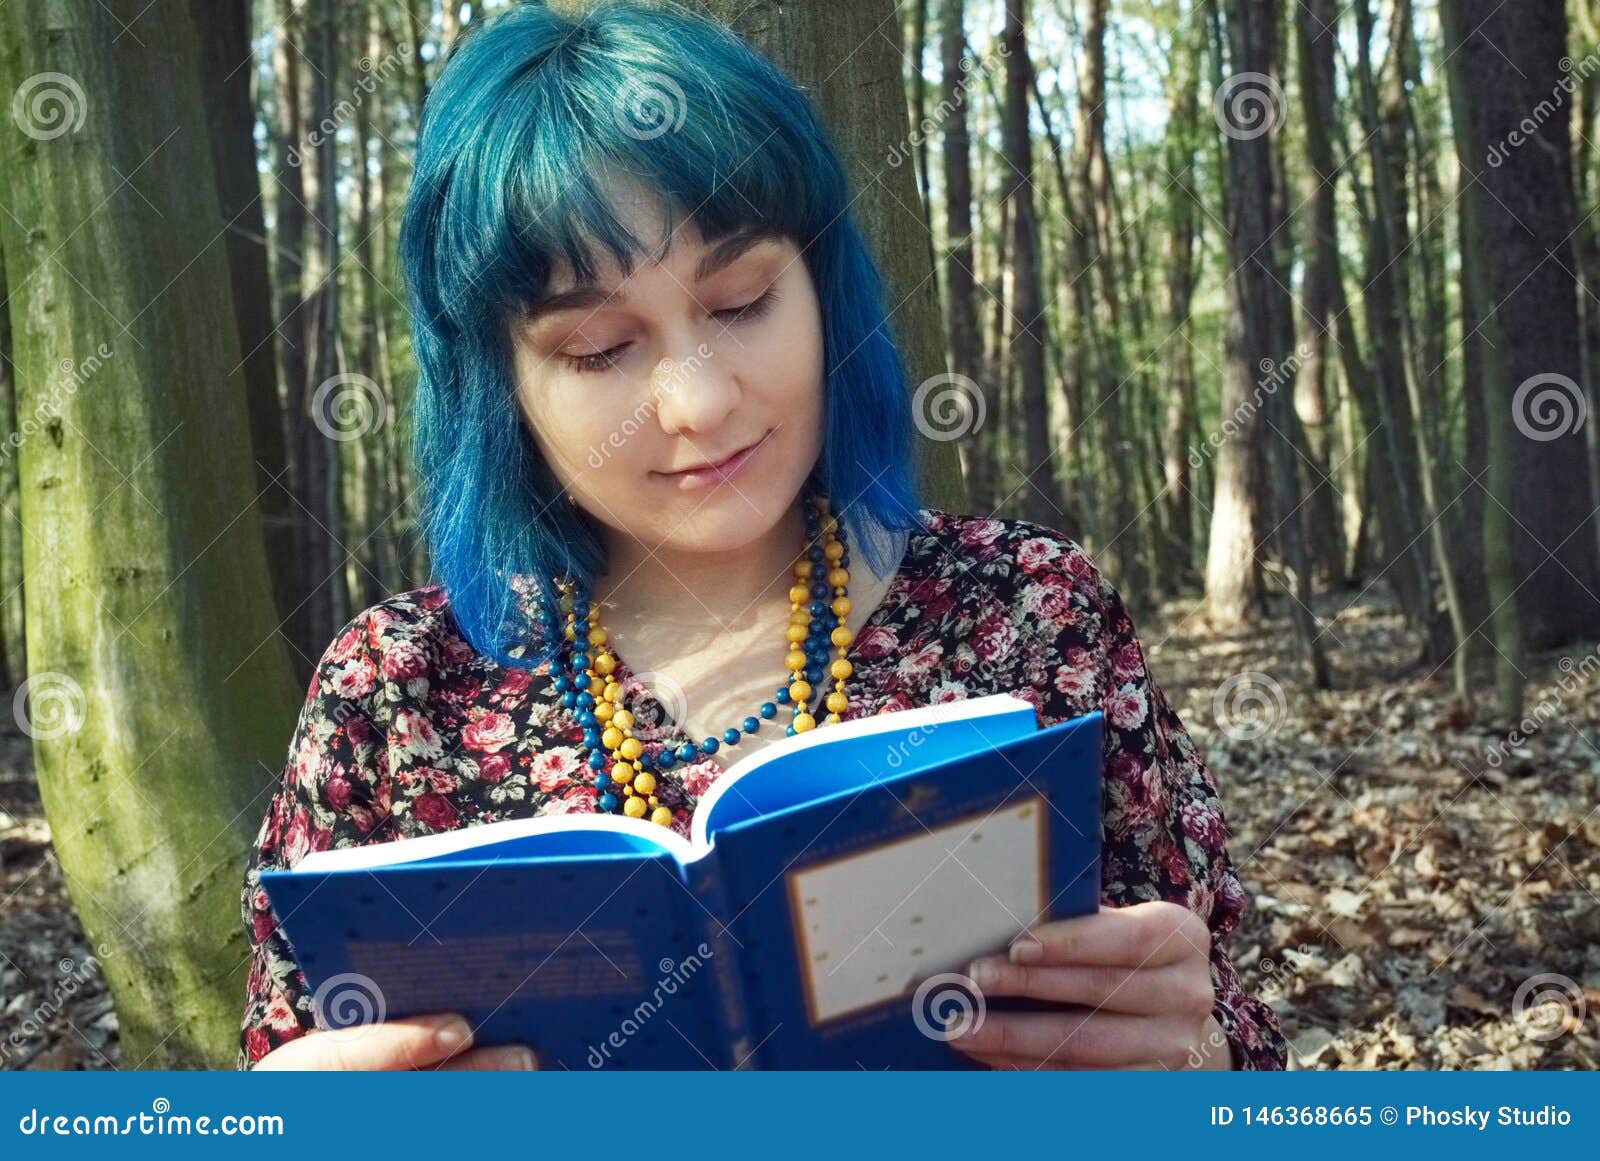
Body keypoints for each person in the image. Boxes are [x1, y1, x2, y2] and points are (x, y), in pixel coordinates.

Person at [239, 0, 1286, 1071]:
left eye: (741, 301)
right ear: (500, 387)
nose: (695, 404)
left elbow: (1235, 1047)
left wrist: (1193, 1058)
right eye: (599, 349)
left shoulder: (1031, 616)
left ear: (823, 291)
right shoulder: (398, 695)